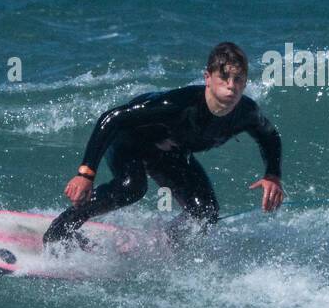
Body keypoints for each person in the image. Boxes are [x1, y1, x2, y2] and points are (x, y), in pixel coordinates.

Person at [43, 41, 283, 249]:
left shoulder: (246, 113)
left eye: (238, 79)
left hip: (170, 152)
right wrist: (85, 173)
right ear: (208, 78)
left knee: (206, 213)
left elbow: (269, 136)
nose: (231, 85)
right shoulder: (177, 104)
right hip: (130, 141)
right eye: (224, 77)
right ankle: (60, 230)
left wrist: (272, 175)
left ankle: (167, 246)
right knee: (131, 187)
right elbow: (112, 118)